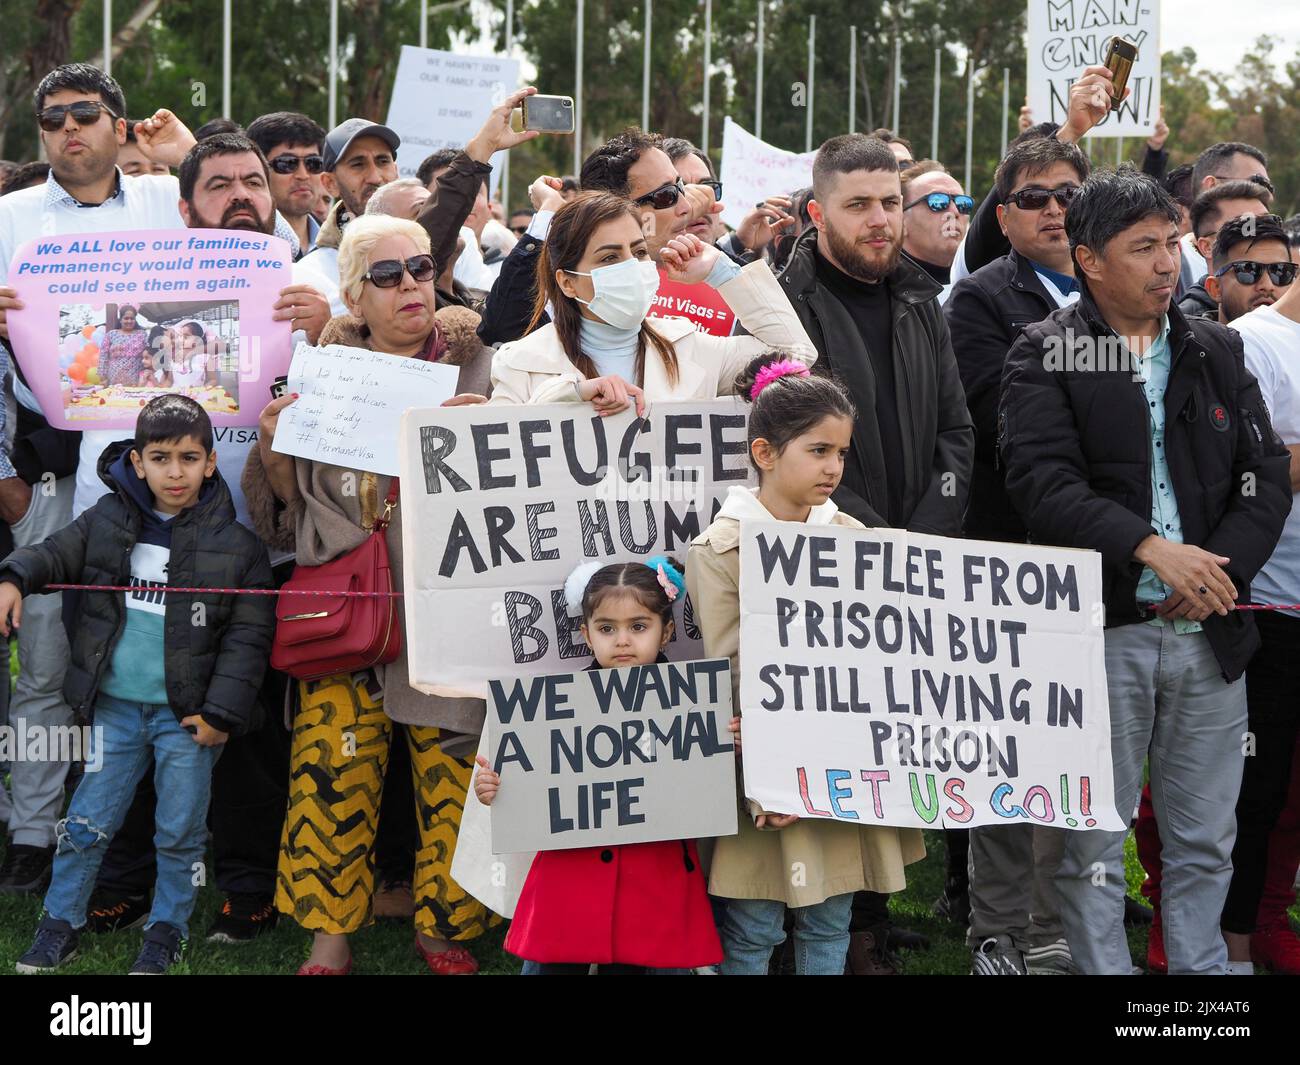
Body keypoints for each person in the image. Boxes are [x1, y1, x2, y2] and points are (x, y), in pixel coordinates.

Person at [998, 167, 1291, 975]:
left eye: (1171, 245)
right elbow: (1042, 485)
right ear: (1090, 259)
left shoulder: (1215, 344)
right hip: (1101, 632)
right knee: (1095, 836)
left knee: (1206, 837)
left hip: (1213, 630)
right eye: (1144, 249)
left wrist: (1215, 570)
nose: (1168, 265)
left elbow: (1263, 472)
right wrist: (1150, 548)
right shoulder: (1046, 352)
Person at [242, 214, 498, 975]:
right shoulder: (321, 371)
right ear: (354, 295)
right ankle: (330, 936)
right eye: (387, 276)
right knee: (330, 772)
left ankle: (446, 926)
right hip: (348, 610)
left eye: (419, 268)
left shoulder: (483, 367)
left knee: (456, 777)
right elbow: (286, 518)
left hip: (446, 614)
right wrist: (271, 447)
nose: (410, 285)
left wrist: (495, 433)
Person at [775, 132, 973, 971]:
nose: (881, 219)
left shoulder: (924, 299)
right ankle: (820, 928)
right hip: (821, 559)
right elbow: (784, 438)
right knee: (826, 741)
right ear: (818, 212)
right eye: (858, 204)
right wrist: (864, 535)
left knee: (891, 738)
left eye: (891, 201)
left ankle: (873, 915)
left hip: (918, 552)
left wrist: (929, 530)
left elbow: (958, 430)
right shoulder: (777, 302)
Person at [0, 63, 196, 897]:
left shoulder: (168, 199)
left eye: (86, 113)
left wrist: (189, 154)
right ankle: (34, 832)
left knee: (155, 658)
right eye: (53, 118)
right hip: (49, 472)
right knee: (44, 664)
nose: (69, 128)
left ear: (121, 124)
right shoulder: (6, 218)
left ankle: (158, 833)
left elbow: (266, 260)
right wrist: (3, 472)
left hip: (175, 466)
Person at [4, 395, 274, 974]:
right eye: (160, 458)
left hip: (188, 719)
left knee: (179, 832)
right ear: (137, 460)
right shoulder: (105, 520)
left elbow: (248, 642)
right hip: (115, 712)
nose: (174, 472)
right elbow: (51, 554)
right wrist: (13, 577)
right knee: (84, 825)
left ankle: (165, 929)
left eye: (188, 458)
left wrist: (221, 713)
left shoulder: (240, 548)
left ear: (210, 463)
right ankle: (60, 924)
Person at [687, 351, 926, 974]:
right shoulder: (721, 549)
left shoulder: (857, 540)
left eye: (841, 453)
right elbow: (732, 665)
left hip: (840, 759)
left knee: (830, 919)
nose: (833, 467)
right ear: (764, 454)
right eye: (818, 451)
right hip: (763, 764)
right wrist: (771, 774)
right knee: (753, 924)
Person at [942, 133, 1090, 976]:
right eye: (1032, 196)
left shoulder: (1133, 291)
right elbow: (1001, 411)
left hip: (1096, 561)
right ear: (1003, 216)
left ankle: (1056, 920)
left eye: (1067, 191)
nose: (1053, 208)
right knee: (1003, 749)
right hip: (1006, 556)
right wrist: (1099, 365)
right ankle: (996, 930)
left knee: (1072, 748)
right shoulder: (982, 301)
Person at [1143, 229, 1300, 976]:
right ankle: (1214, 949)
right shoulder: (1251, 343)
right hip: (1261, 601)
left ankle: (1258, 924)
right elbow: (1251, 466)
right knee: (1238, 795)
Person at [473, 557, 725, 975]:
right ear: (586, 635)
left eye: (638, 627)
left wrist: (723, 742)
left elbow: (703, 787)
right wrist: (496, 789)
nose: (622, 640)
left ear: (668, 632)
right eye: (607, 628)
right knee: (555, 962)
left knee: (631, 964)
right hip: (570, 871)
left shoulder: (696, 707)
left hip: (651, 871)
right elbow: (528, 788)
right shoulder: (548, 710)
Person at [486, 190, 815, 409]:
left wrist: (722, 271)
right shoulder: (519, 363)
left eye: (639, 251)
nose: (631, 266)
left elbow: (797, 356)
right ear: (568, 283)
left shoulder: (692, 348)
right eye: (610, 258)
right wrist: (570, 395)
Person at [478, 128, 723, 346]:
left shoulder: (712, 271)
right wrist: (549, 214)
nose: (686, 207)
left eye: (681, 188)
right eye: (666, 195)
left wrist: (725, 271)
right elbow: (503, 331)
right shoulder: (578, 287)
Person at [1179, 142, 1272, 288]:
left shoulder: (1283, 273)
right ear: (1212, 185)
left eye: (1268, 186)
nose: (1268, 195)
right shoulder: (1174, 265)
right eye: (1257, 182)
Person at [1176, 180, 1272, 318]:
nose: (1264, 234)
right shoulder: (1183, 328)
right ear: (1207, 247)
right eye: (1246, 227)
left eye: (1269, 223)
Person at [246, 111, 327, 259]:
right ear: (256, 171)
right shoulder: (236, 248)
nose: (303, 175)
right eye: (287, 163)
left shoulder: (343, 246)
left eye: (313, 163)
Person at [1203, 213, 1295, 324]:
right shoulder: (1184, 339)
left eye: (1280, 271)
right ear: (1215, 288)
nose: (1267, 286)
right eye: (1249, 270)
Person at [900, 160, 972, 300]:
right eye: (937, 202)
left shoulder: (987, 285)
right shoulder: (879, 287)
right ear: (901, 220)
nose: (954, 211)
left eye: (963, 203)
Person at [98, 304, 150, 386]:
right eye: (126, 318)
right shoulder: (111, 334)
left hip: (136, 379)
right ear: (121, 320)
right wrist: (103, 378)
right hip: (114, 378)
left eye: (132, 318)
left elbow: (149, 354)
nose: (129, 321)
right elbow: (103, 356)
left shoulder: (142, 335)